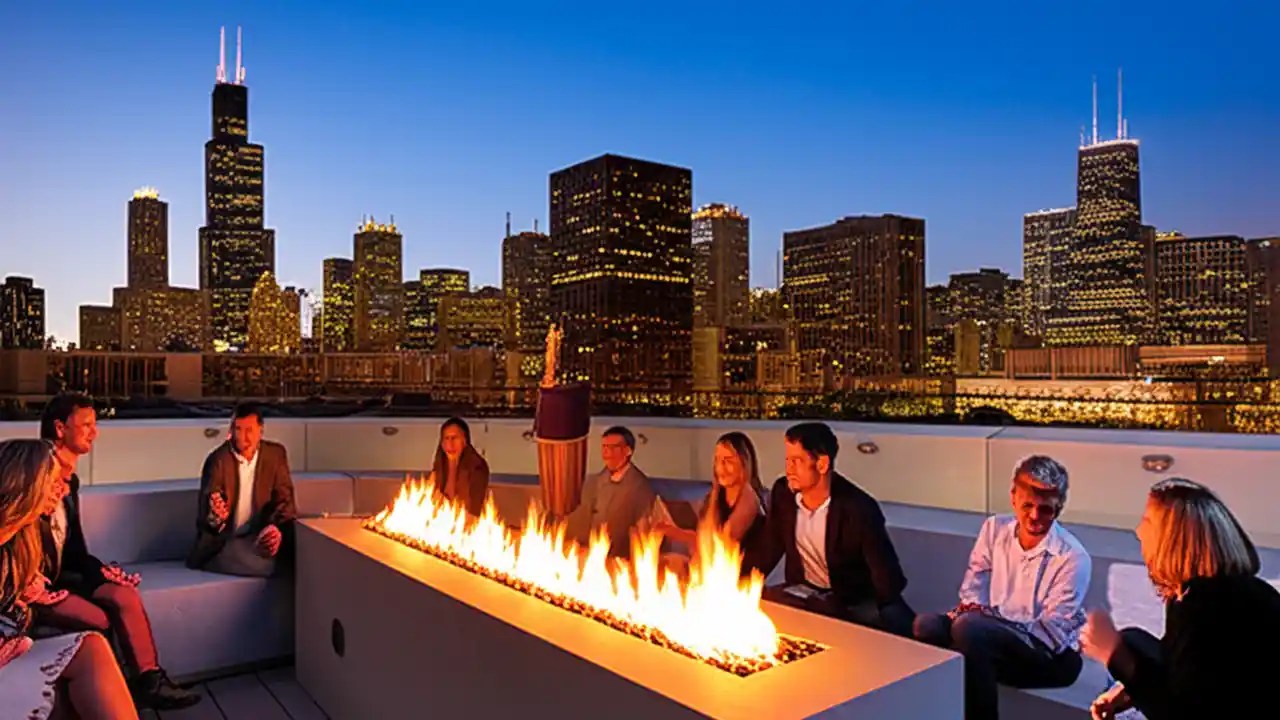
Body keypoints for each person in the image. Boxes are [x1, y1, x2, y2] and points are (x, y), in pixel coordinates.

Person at [35, 393, 199, 710]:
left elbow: (74, 551)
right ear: (60, 428)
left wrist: (103, 573)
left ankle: (149, 682)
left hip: (64, 575)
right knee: (98, 618)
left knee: (123, 595)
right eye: (86, 425)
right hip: (38, 586)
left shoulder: (71, 481)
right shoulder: (35, 477)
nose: (94, 432)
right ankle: (109, 696)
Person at [1082, 477, 1280, 720]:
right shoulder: (1204, 594)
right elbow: (1186, 671)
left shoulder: (1211, 608)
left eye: (1148, 521)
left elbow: (1185, 711)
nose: (1138, 531)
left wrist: (1112, 652)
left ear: (1174, 539)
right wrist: (1128, 692)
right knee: (1133, 640)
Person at [913, 456, 1091, 720]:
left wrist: (986, 622)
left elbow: (1048, 632)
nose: (1034, 516)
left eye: (1046, 509)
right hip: (989, 633)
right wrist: (982, 620)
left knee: (968, 630)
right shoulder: (994, 528)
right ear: (1013, 498)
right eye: (1027, 505)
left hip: (1048, 656)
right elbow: (972, 591)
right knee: (925, 625)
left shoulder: (1072, 556)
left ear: (1059, 507)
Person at [0, 438, 140, 720]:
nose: (63, 490)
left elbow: (75, 554)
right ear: (28, 484)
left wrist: (27, 594)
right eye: (54, 481)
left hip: (11, 651)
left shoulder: (17, 545)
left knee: (91, 646)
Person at [752, 422, 914, 636]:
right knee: (763, 604)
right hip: (803, 593)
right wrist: (737, 581)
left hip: (850, 601)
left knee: (893, 623)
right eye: (787, 460)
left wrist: (852, 605)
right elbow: (769, 548)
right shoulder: (783, 493)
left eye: (797, 461)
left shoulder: (858, 508)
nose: (789, 469)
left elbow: (888, 579)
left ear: (821, 464)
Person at [188, 403, 297, 577]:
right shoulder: (218, 461)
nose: (242, 437)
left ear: (260, 431)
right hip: (225, 543)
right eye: (238, 429)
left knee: (297, 556)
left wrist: (274, 528)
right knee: (270, 568)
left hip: (259, 536)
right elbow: (206, 517)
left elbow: (285, 500)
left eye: (249, 430)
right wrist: (216, 517)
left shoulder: (275, 455)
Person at [654, 432, 766, 574]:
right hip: (712, 568)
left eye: (729, 460)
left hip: (737, 575)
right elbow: (703, 538)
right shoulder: (715, 496)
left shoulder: (749, 498)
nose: (721, 467)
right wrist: (670, 531)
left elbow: (722, 542)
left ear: (744, 463)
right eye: (718, 460)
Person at [564, 426, 657, 560]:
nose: (607, 452)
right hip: (595, 554)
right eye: (605, 447)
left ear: (628, 450)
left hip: (620, 560)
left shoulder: (639, 487)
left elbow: (643, 529)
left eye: (613, 447)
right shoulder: (597, 480)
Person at [426, 417, 490, 518]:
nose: (450, 444)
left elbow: (472, 510)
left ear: (465, 441)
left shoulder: (477, 467)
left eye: (455, 438)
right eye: (446, 438)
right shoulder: (440, 463)